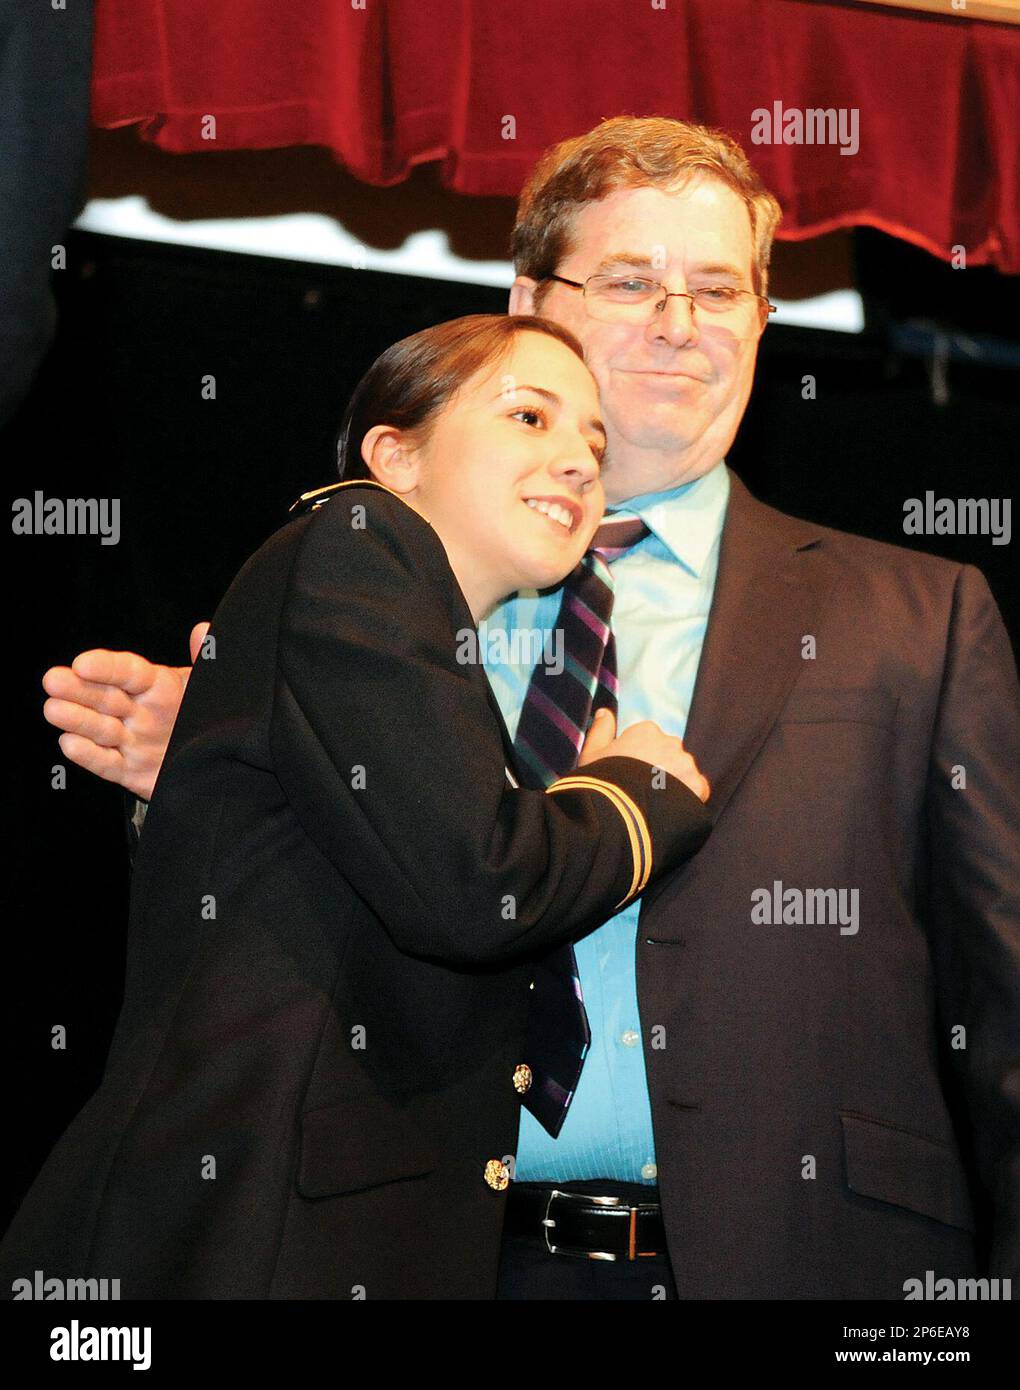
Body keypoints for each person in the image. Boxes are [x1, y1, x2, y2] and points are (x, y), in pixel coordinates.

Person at [37, 117, 1020, 1300]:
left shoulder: (920, 613)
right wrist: (229, 777)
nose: (678, 321)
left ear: (766, 320)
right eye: (629, 279)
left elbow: (1005, 1001)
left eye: (720, 287)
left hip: (807, 1259)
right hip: (410, 1252)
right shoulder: (372, 585)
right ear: (528, 300)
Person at [0, 313, 714, 1299]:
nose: (577, 461)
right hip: (249, 1234)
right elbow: (477, 883)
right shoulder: (359, 539)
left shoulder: (409, 639)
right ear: (395, 453)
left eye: (594, 442)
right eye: (529, 415)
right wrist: (640, 791)